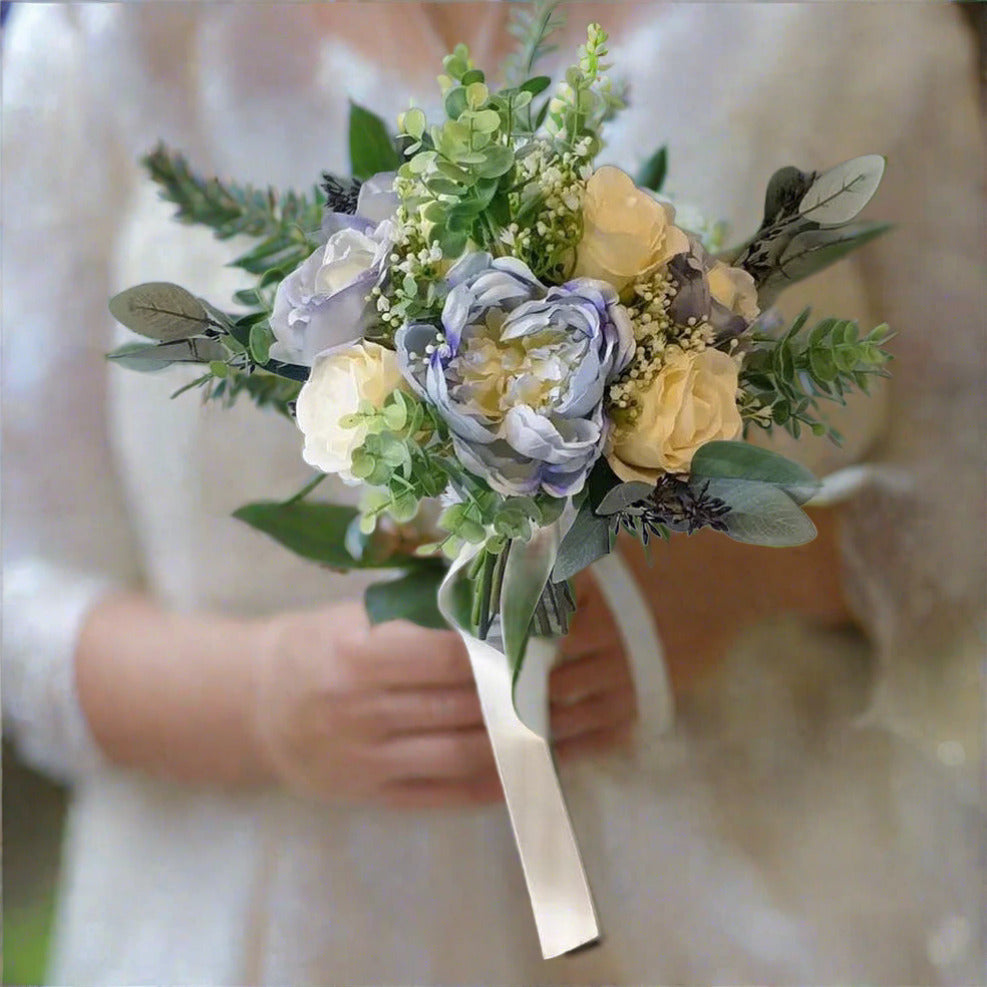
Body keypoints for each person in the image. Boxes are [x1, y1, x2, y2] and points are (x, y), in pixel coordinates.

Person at [3, 3, 983, 984]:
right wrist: (260, 700)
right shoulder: (103, 42)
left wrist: (755, 577)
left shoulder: (842, 27)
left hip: (761, 902)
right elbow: (21, 583)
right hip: (271, 926)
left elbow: (966, 475)